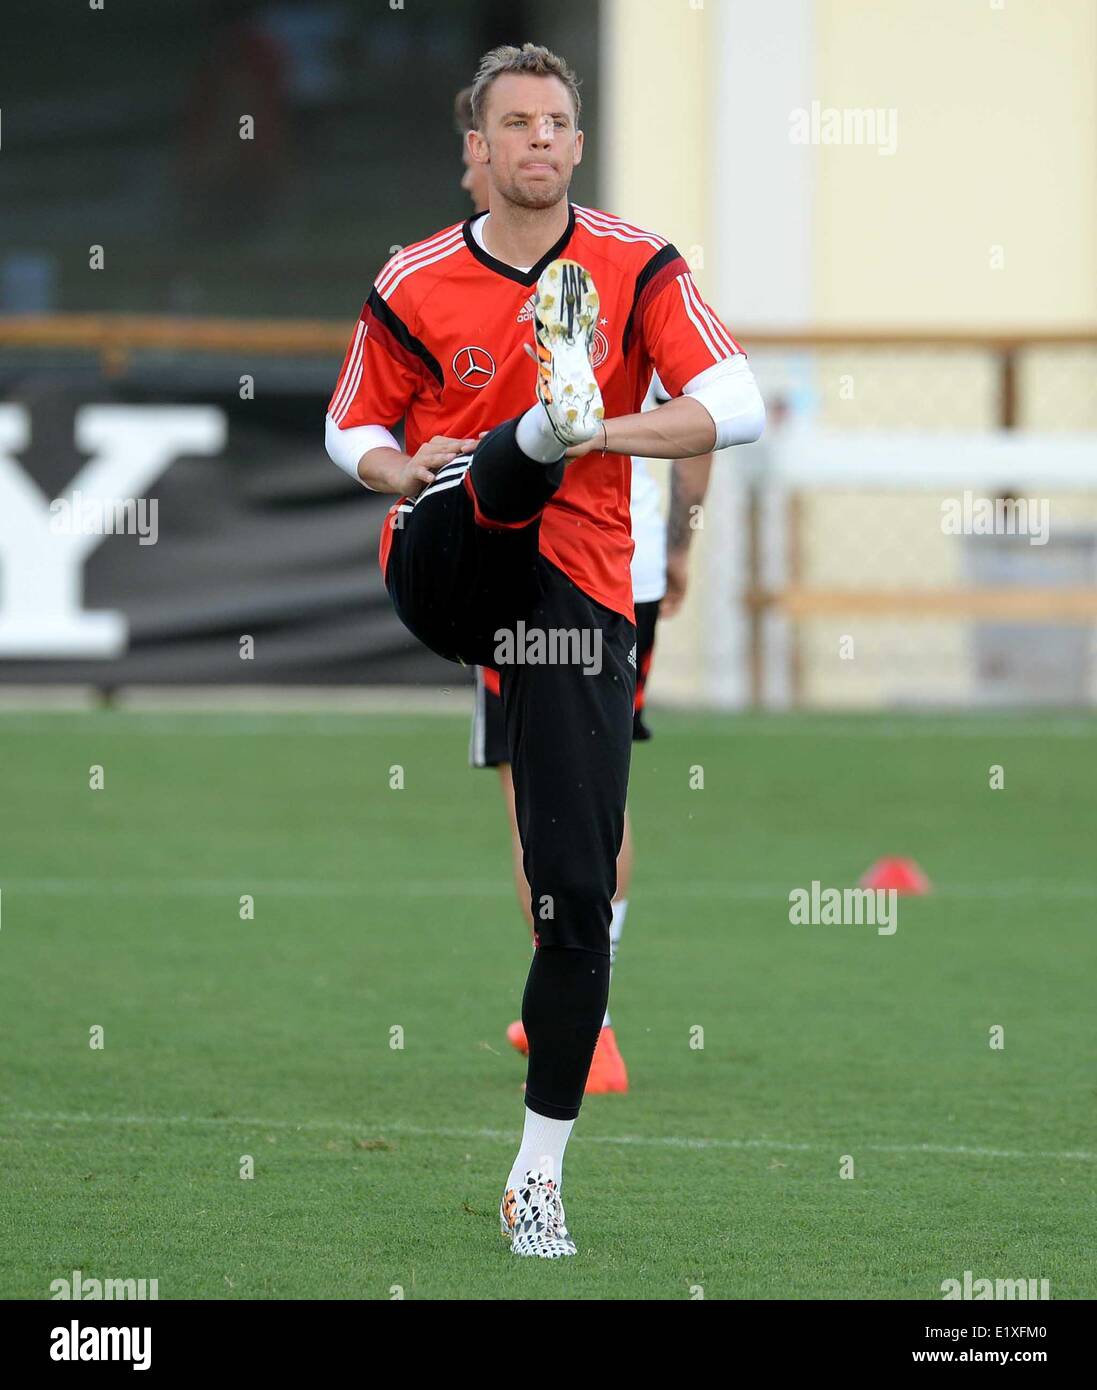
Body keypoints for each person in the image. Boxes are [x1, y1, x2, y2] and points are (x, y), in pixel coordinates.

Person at [327, 43, 764, 1258]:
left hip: (573, 599)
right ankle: (537, 422)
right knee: (496, 475)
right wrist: (387, 462)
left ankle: (536, 1175)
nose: (536, 140)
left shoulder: (638, 262)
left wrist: (604, 431)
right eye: (512, 122)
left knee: (572, 899)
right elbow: (349, 417)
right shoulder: (413, 280)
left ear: (576, 145)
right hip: (447, 549)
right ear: (478, 150)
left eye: (555, 123)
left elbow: (736, 404)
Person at [453, 87, 715, 1096]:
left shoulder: (537, 285)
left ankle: (571, 1003)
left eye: (542, 130)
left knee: (539, 790)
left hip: (550, 565)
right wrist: (681, 544)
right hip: (630, 572)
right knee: (598, 791)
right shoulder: (640, 277)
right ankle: (586, 1000)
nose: (526, 152)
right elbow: (699, 429)